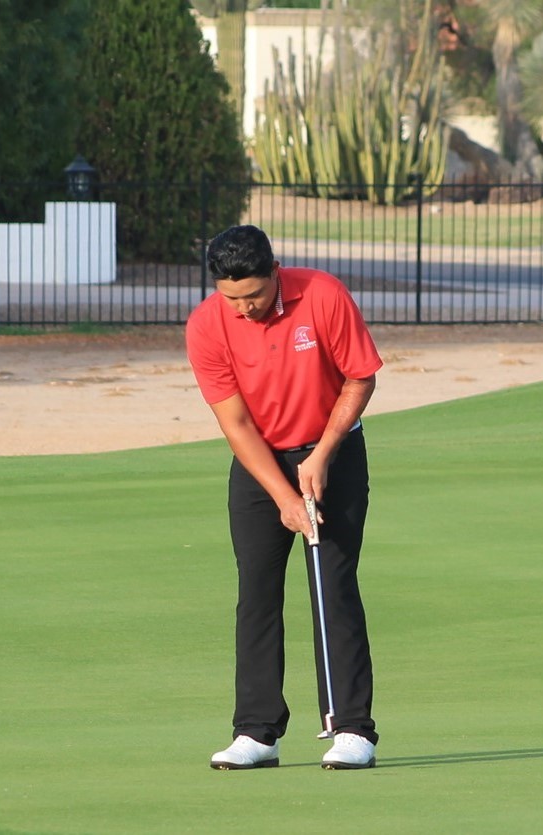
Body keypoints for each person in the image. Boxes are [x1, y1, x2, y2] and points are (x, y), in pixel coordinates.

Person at [187, 224, 384, 770]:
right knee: (256, 591)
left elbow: (360, 379)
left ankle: (353, 729)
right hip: (259, 463)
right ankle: (256, 731)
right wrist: (283, 494)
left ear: (276, 274)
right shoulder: (207, 324)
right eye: (232, 299)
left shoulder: (322, 295)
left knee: (334, 584)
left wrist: (320, 457)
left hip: (333, 452)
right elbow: (236, 424)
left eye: (253, 295)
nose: (244, 308)